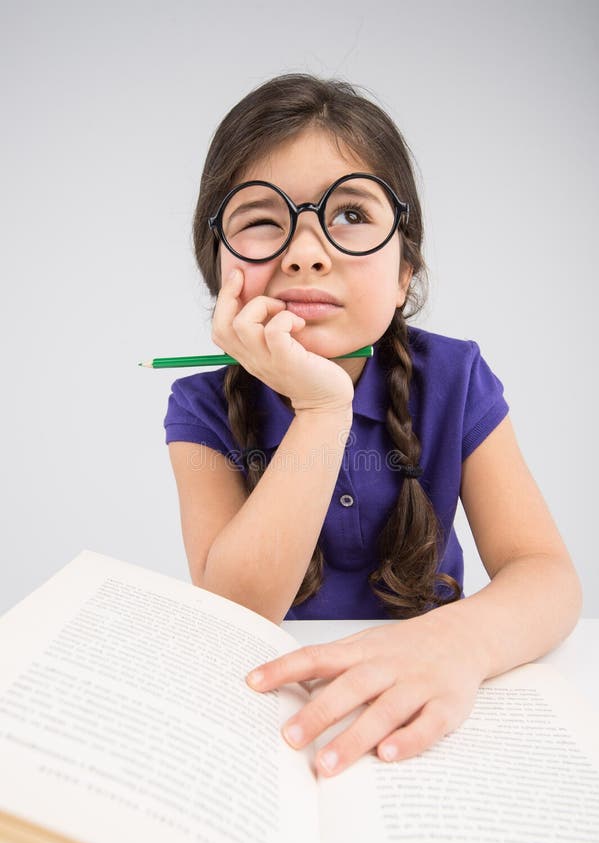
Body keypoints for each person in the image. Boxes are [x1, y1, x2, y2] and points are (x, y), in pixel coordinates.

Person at [164, 72, 582, 778]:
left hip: (434, 707)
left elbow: (545, 575)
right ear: (220, 273)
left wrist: (459, 645)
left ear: (403, 273)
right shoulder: (200, 405)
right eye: (261, 219)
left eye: (351, 214)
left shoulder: (453, 377)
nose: (304, 250)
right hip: (275, 720)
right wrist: (321, 409)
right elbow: (234, 615)